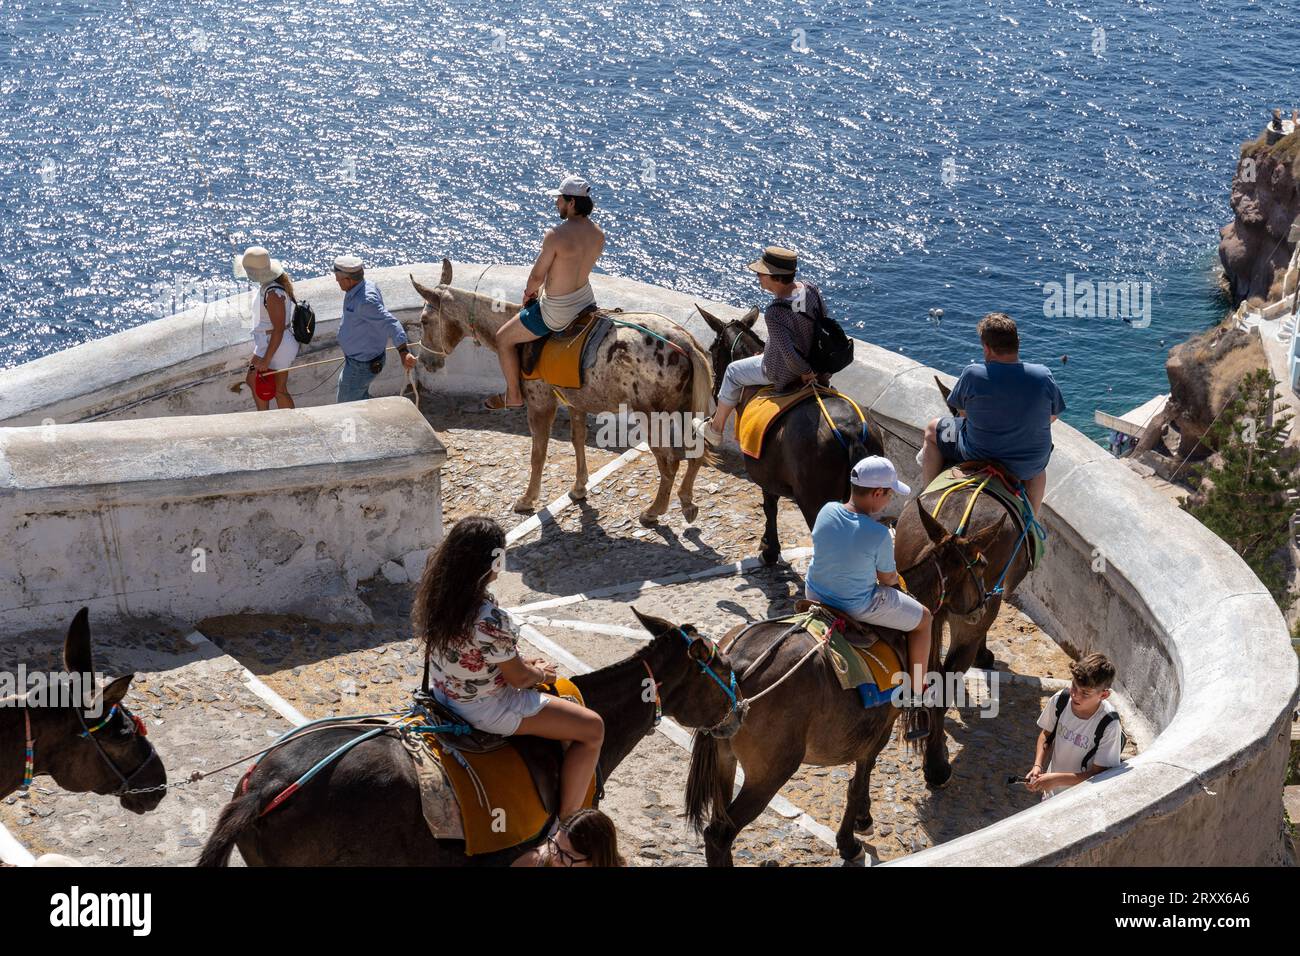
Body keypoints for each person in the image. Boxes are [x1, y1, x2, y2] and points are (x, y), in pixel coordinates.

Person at [412, 515, 604, 821]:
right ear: (494, 561)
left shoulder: (438, 595)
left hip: (444, 695)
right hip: (486, 708)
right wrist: (542, 673)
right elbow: (518, 678)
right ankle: (567, 822)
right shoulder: (488, 617)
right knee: (592, 728)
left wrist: (521, 662)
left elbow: (478, 656)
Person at [804, 456, 933, 739]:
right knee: (924, 619)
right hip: (854, 605)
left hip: (814, 593)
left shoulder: (826, 510)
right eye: (888, 494)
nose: (888, 501)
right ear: (876, 493)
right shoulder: (878, 534)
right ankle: (917, 694)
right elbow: (888, 580)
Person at [920, 312, 1065, 513]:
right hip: (1028, 464)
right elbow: (1053, 416)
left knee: (931, 430)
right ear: (1018, 343)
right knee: (1038, 471)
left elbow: (963, 414)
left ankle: (927, 499)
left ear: (987, 349)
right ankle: (1032, 517)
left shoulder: (972, 374)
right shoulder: (1043, 375)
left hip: (980, 454)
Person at [485, 175, 605, 410]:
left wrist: (529, 294)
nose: (556, 203)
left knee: (502, 338)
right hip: (586, 303)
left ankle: (514, 395)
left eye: (559, 199)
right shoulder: (598, 234)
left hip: (557, 312)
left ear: (571, 202)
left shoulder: (556, 236)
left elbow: (537, 277)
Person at [695, 246, 827, 447]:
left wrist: (805, 372)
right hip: (816, 362)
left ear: (775, 276)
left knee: (732, 371)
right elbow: (821, 324)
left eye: (761, 272)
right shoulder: (811, 290)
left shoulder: (775, 311)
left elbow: (789, 354)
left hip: (783, 371)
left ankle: (715, 429)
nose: (758, 275)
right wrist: (813, 367)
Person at [1025, 653, 1122, 799]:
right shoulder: (1060, 700)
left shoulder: (1109, 725)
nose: (1075, 695)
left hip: (1081, 800)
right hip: (1050, 794)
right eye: (1074, 686)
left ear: (1103, 695)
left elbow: (1100, 774)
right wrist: (1038, 765)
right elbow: (1046, 735)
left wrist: (1056, 779)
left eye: (1085, 693)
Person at [332, 255, 417, 403]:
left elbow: (391, 323)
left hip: (362, 365)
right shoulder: (361, 288)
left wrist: (404, 352)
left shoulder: (365, 301)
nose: (336, 281)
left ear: (348, 280)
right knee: (355, 396)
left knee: (346, 404)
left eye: (338, 278)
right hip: (356, 361)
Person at [238, 246, 299, 410]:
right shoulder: (269, 286)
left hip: (276, 345)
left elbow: (278, 329)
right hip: (268, 343)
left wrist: (266, 359)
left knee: (276, 388)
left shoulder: (273, 293)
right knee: (254, 380)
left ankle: (271, 420)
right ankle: (266, 417)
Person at [511, 808, 626, 867]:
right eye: (555, 844)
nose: (554, 858)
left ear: (594, 861)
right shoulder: (532, 862)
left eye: (567, 855)